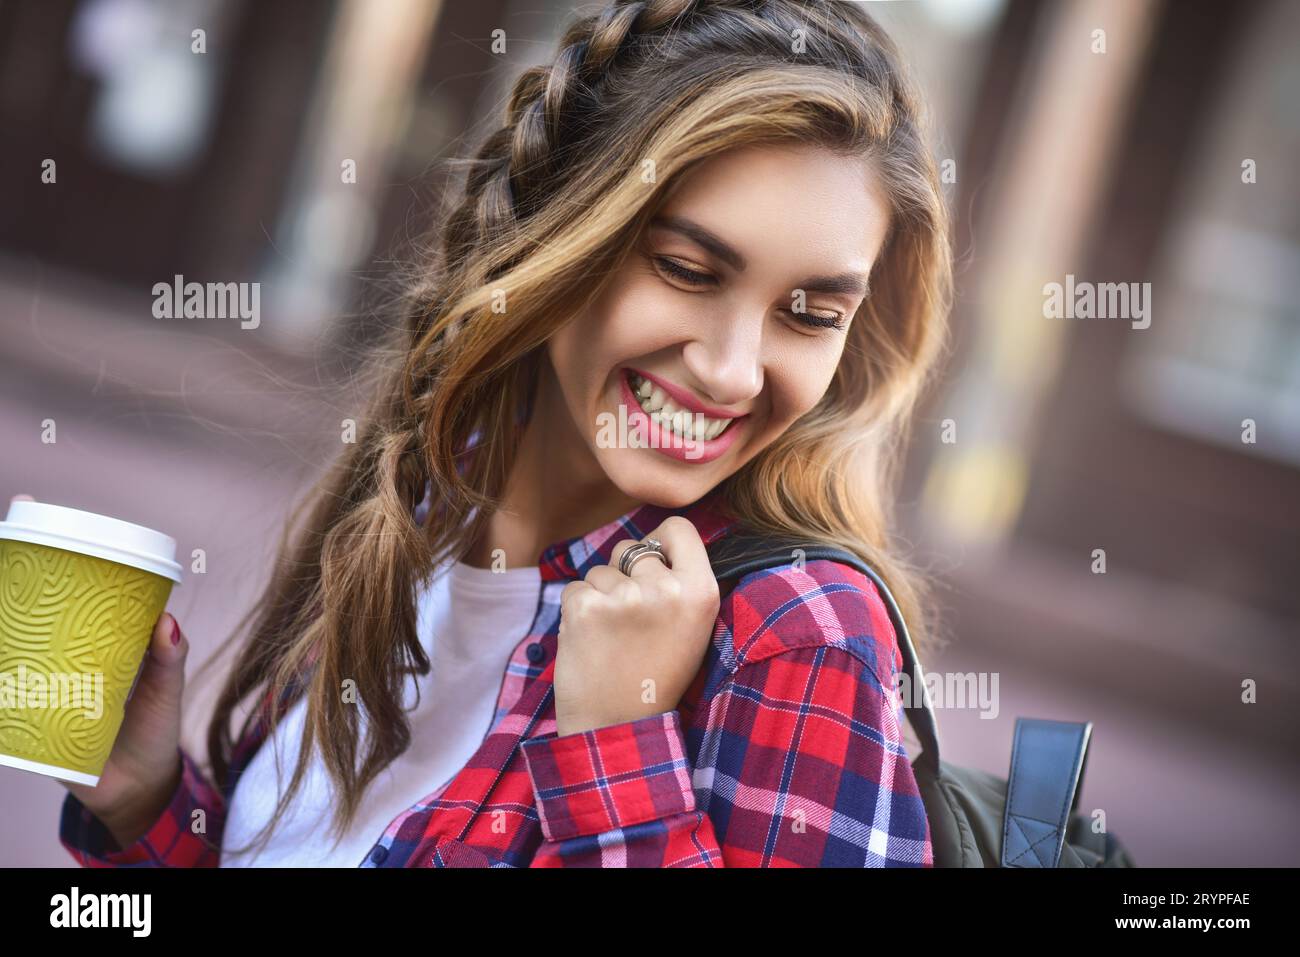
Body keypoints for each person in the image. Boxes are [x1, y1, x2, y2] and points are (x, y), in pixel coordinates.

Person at [54, 0, 951, 868]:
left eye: (810, 313)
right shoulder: (422, 505)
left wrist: (620, 749)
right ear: (555, 230)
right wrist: (145, 803)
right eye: (686, 269)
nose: (733, 370)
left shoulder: (798, 637)